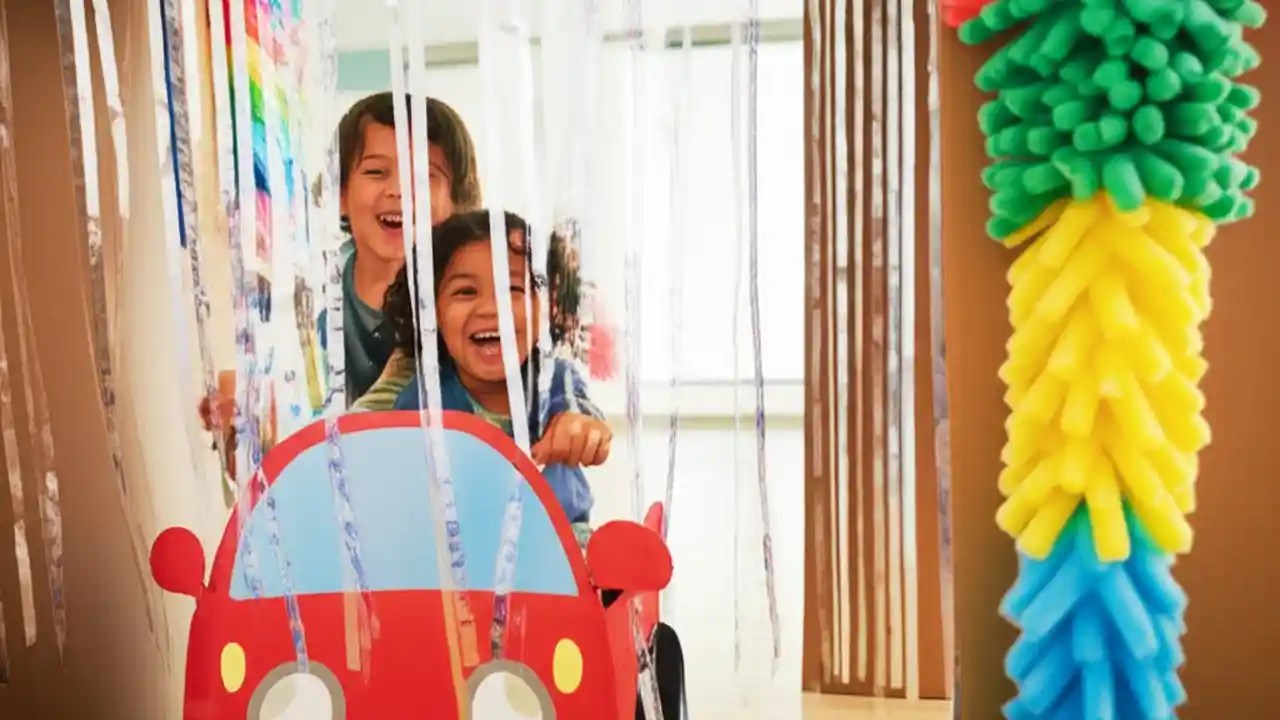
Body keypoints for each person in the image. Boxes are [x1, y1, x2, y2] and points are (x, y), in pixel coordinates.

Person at [362, 210, 610, 540]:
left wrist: (580, 430)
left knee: (601, 557)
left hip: (559, 543)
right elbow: (396, 483)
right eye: (465, 292)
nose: (492, 309)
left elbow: (580, 413)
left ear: (547, 307)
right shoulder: (424, 398)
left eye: (513, 290)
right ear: (431, 313)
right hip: (461, 558)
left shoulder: (553, 380)